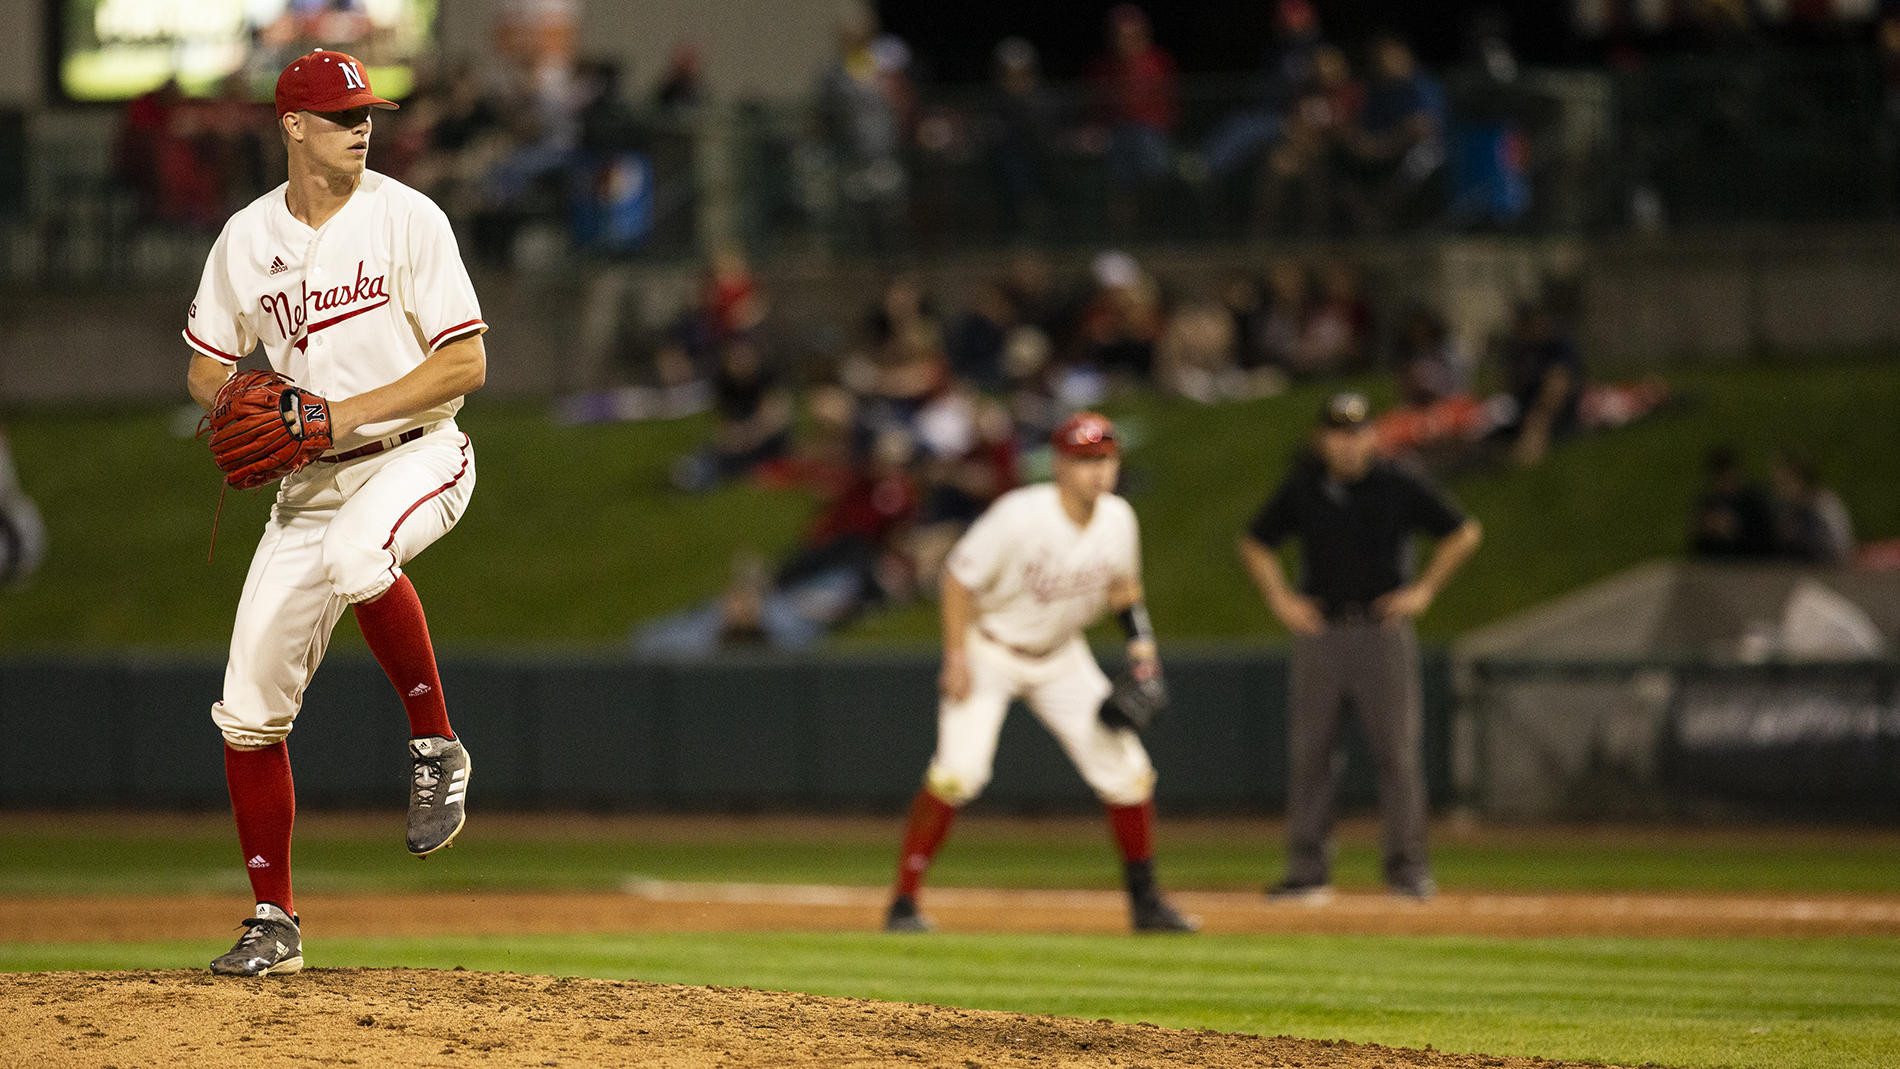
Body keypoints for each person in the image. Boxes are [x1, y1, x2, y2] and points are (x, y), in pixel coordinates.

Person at [183, 50, 488, 977]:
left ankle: (436, 743)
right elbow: (205, 364)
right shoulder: (245, 237)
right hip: (306, 486)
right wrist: (244, 395)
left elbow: (464, 365)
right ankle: (273, 921)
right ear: (293, 126)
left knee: (364, 554)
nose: (363, 124)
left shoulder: (407, 216)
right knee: (247, 710)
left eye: (368, 111)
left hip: (418, 452)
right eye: (343, 112)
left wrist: (336, 414)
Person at [884, 412, 1197, 935]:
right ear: (1058, 466)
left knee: (1126, 771)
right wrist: (956, 657)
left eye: (1105, 459)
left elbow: (1124, 589)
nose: (1097, 471)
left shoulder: (1119, 519)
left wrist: (1143, 653)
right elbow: (957, 581)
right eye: (1083, 460)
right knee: (959, 772)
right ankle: (904, 903)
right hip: (991, 651)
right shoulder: (1019, 516)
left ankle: (1146, 905)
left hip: (1060, 657)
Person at [1237, 393, 1481, 901]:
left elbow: (1462, 532)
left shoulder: (1396, 483)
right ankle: (1308, 872)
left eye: (1356, 433)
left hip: (1380, 630)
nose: (1347, 444)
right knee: (1312, 756)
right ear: (1321, 439)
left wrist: (1425, 589)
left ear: (1372, 436)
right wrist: (1280, 598)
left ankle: (1408, 870)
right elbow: (1255, 540)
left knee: (1396, 754)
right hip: (1321, 632)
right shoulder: (1304, 487)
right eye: (1337, 433)